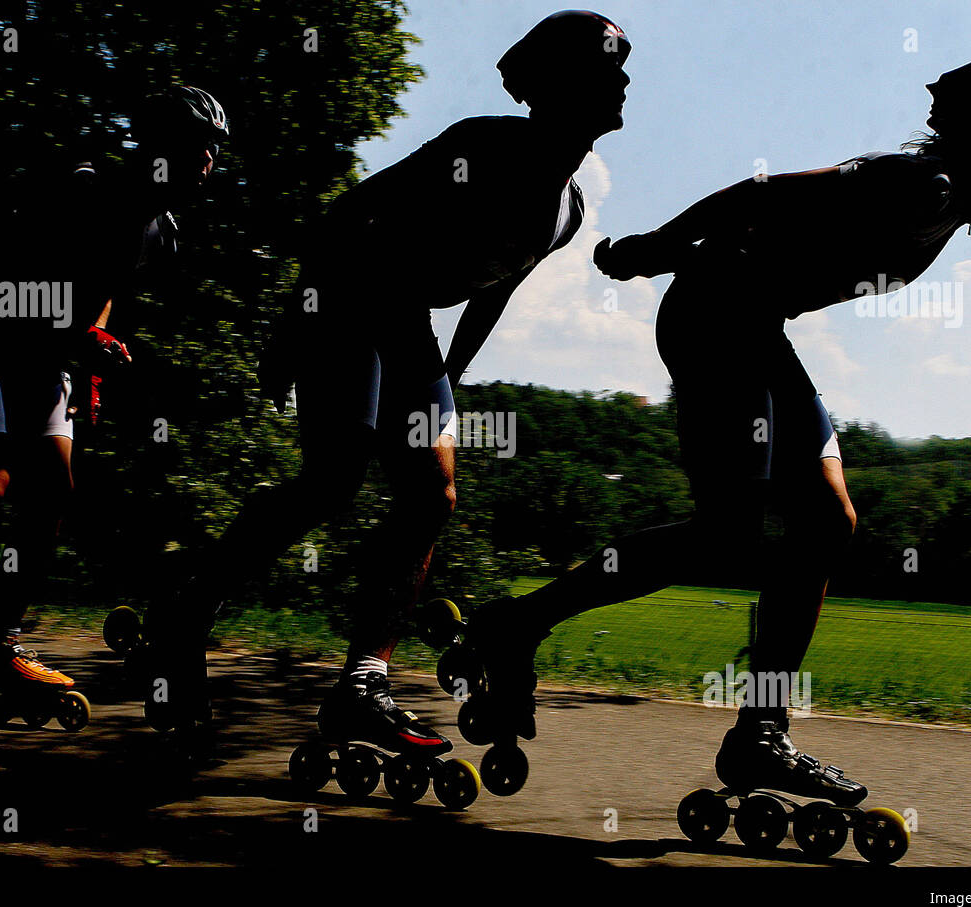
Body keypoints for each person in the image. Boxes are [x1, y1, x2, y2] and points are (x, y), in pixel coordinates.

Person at [452, 54, 971, 802]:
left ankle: (760, 733)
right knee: (731, 532)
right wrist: (658, 244)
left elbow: (788, 244)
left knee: (825, 522)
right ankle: (518, 627)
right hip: (718, 322)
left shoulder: (956, 200)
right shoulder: (922, 184)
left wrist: (685, 252)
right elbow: (758, 195)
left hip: (754, 326)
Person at [134, 11, 631, 764]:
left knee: (433, 494)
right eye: (605, 69)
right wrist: (292, 326)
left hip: (409, 326)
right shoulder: (481, 146)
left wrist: (448, 377)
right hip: (348, 294)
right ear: (557, 86)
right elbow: (350, 214)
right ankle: (186, 612)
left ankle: (363, 683)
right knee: (332, 483)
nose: (624, 81)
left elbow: (494, 287)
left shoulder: (567, 210)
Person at [0, 87, 229, 725]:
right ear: (158, 148)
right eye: (199, 146)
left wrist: (92, 343)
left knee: (53, 493)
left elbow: (104, 289)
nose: (208, 162)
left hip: (47, 349)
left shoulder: (158, 231)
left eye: (214, 151)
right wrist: (75, 333)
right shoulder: (82, 192)